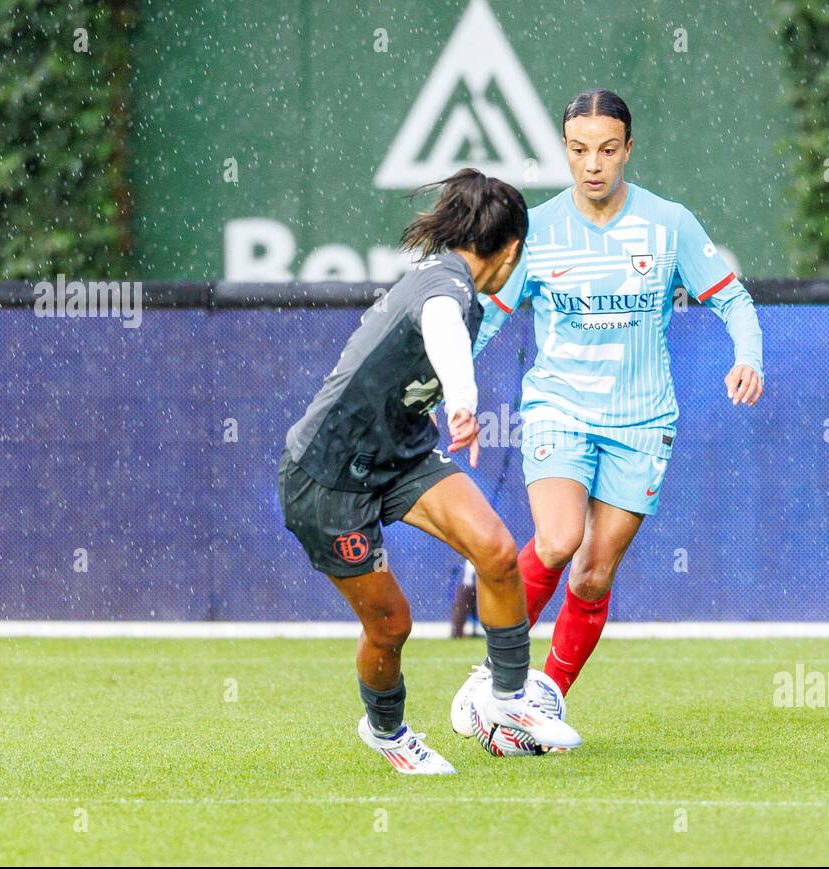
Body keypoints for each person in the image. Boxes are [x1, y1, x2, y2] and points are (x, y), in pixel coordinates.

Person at [451, 90, 764, 734]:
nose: (592, 164)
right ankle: (494, 674)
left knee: (593, 576)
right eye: (578, 150)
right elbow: (488, 320)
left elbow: (731, 297)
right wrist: (459, 392)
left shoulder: (668, 223)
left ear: (627, 150)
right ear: (565, 151)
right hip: (558, 410)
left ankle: (543, 700)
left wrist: (748, 356)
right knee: (560, 540)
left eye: (606, 149)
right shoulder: (534, 231)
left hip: (643, 422)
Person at [279, 168, 581, 774]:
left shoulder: (452, 283)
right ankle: (386, 730)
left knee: (495, 550)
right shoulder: (446, 288)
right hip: (327, 478)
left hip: (402, 453)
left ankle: (508, 700)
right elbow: (443, 331)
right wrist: (464, 401)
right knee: (391, 625)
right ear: (513, 249)